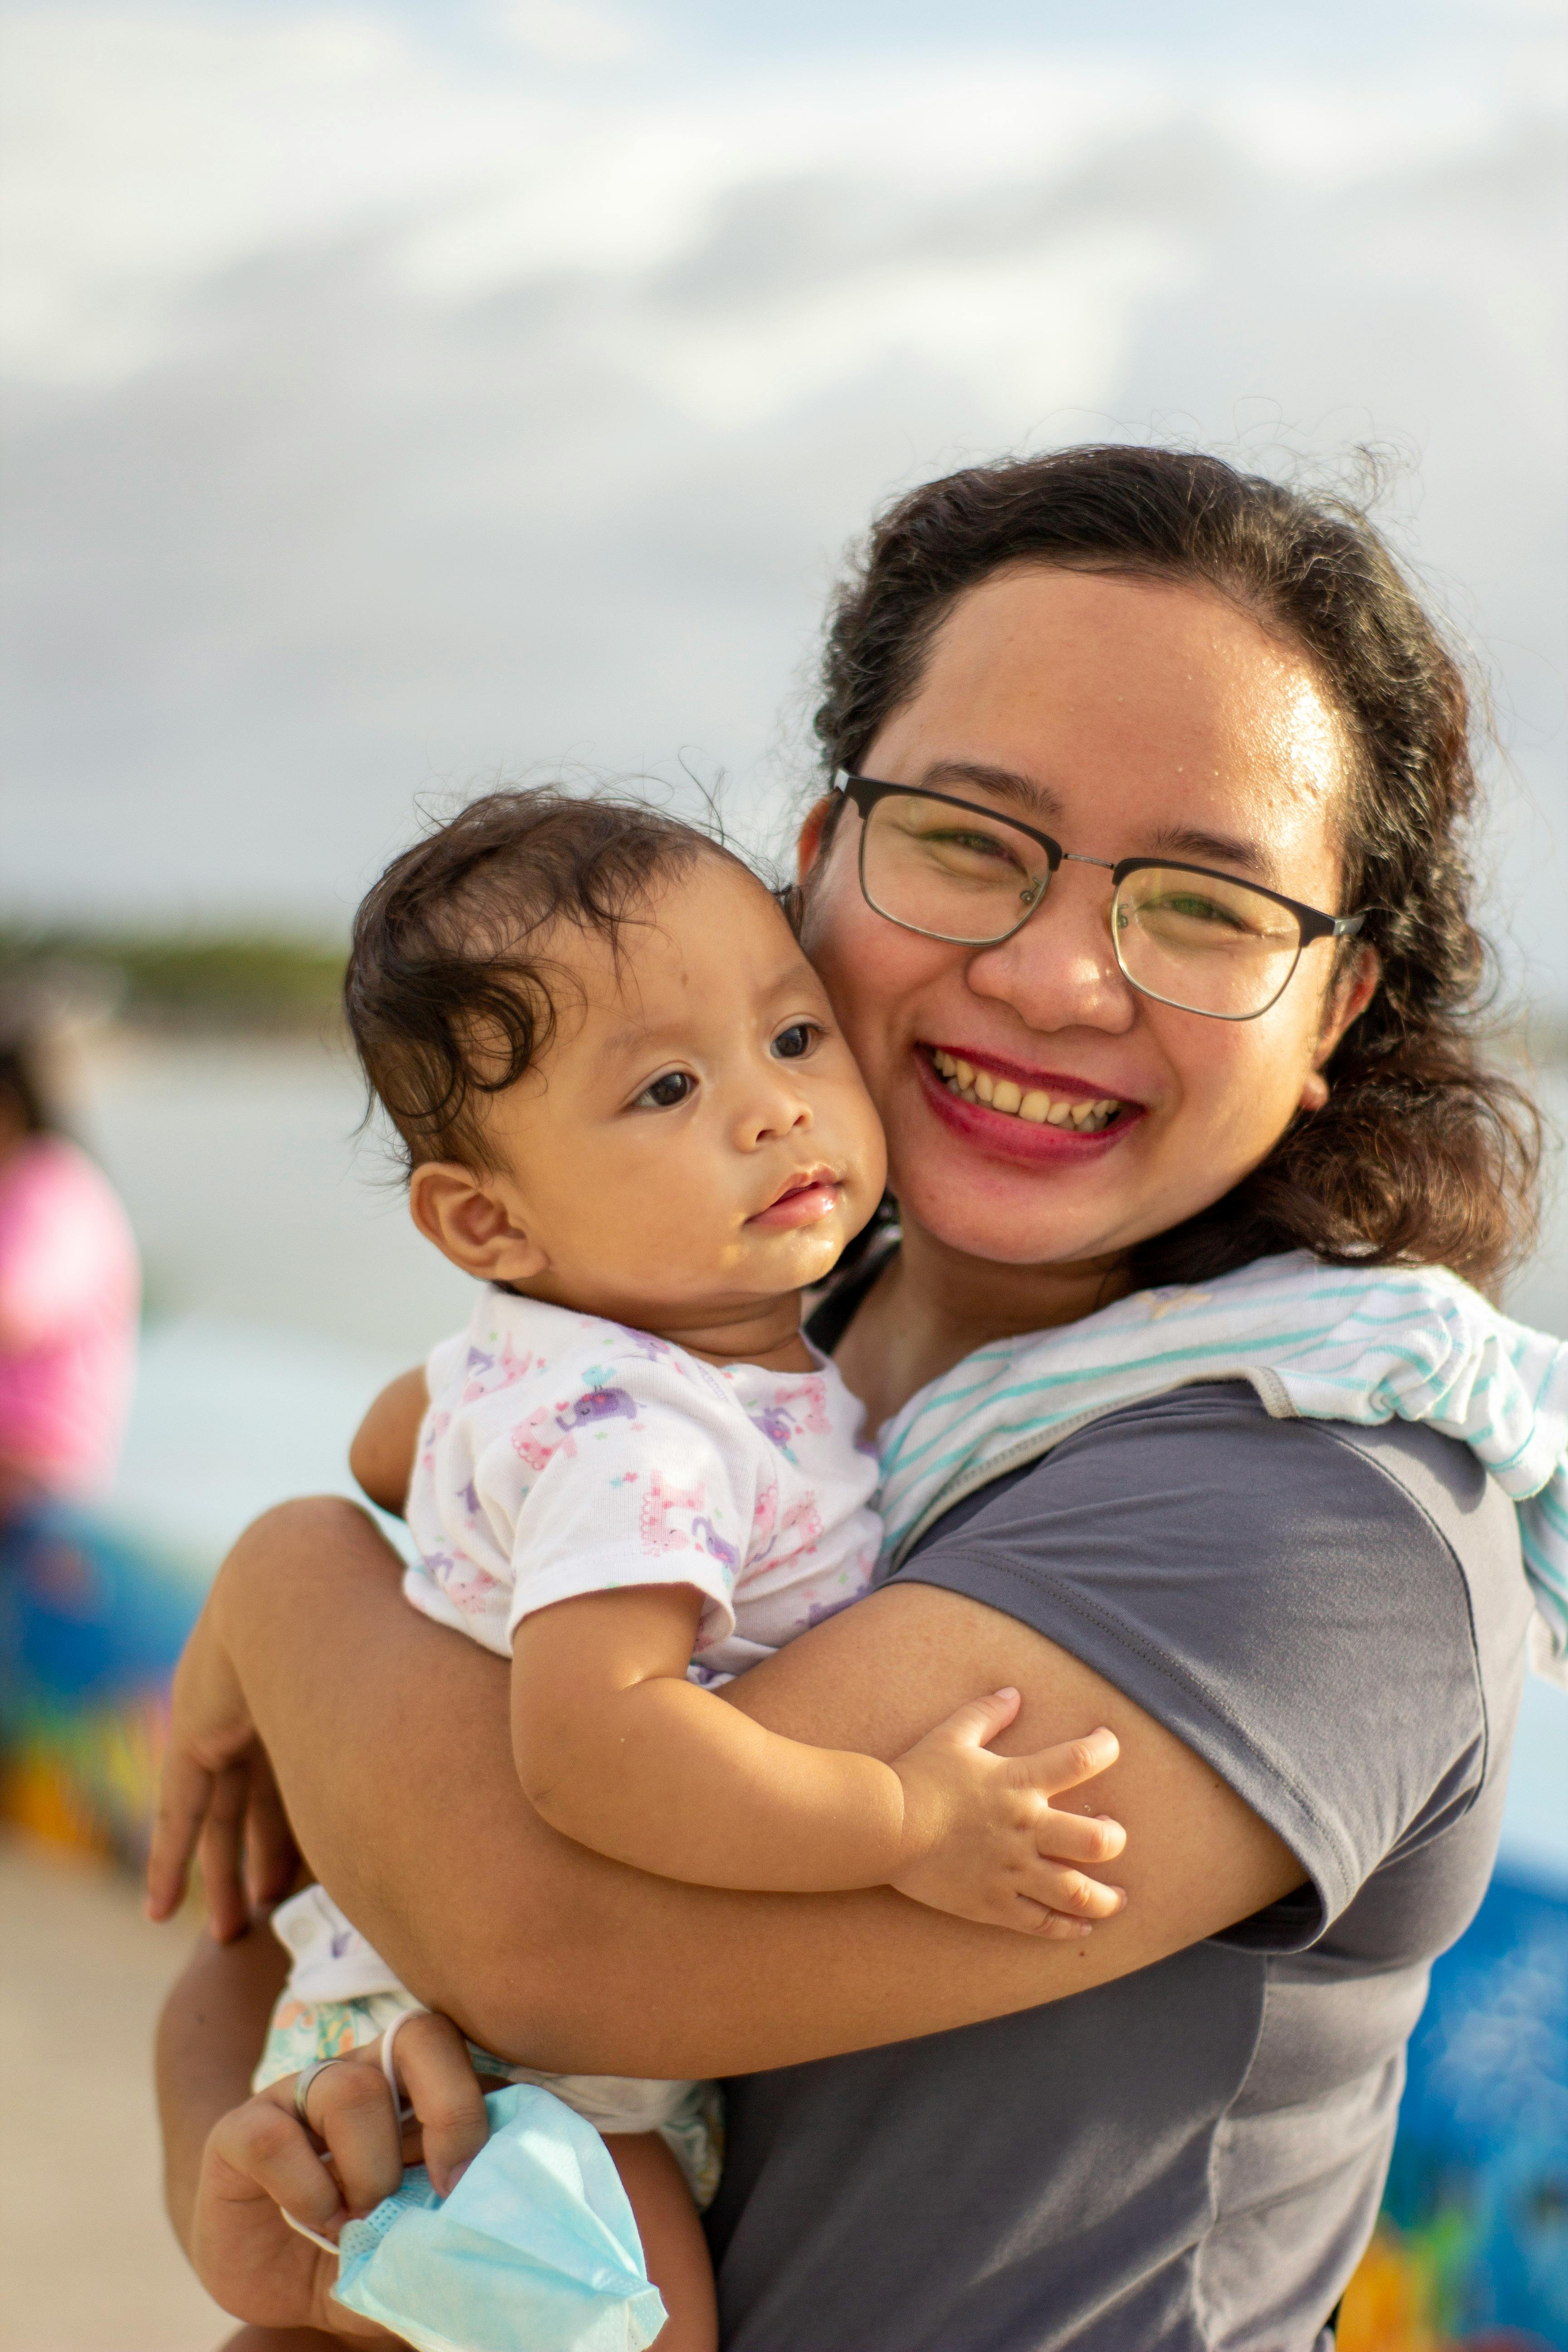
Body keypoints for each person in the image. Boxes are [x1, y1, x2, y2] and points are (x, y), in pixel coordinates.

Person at [152, 446, 1541, 2352]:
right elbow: (247, 1966)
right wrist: (277, 2215)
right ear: (816, 866)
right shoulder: (730, 1368)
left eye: (1207, 905)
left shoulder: (1320, 1497)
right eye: (971, 841)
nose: (1057, 974)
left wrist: (286, 1585)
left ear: (1339, 1015)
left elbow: (545, 1939)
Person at [148, 789, 1132, 2350]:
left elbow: (388, 1445)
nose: (770, 1109)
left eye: (795, 1039)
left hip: (391, 2005)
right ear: (487, 1218)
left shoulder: (559, 1363)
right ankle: (309, 2287)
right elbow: (595, 1746)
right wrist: (900, 1823)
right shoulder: (650, 1440)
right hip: (492, 2083)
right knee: (647, 2329)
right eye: (669, 1087)